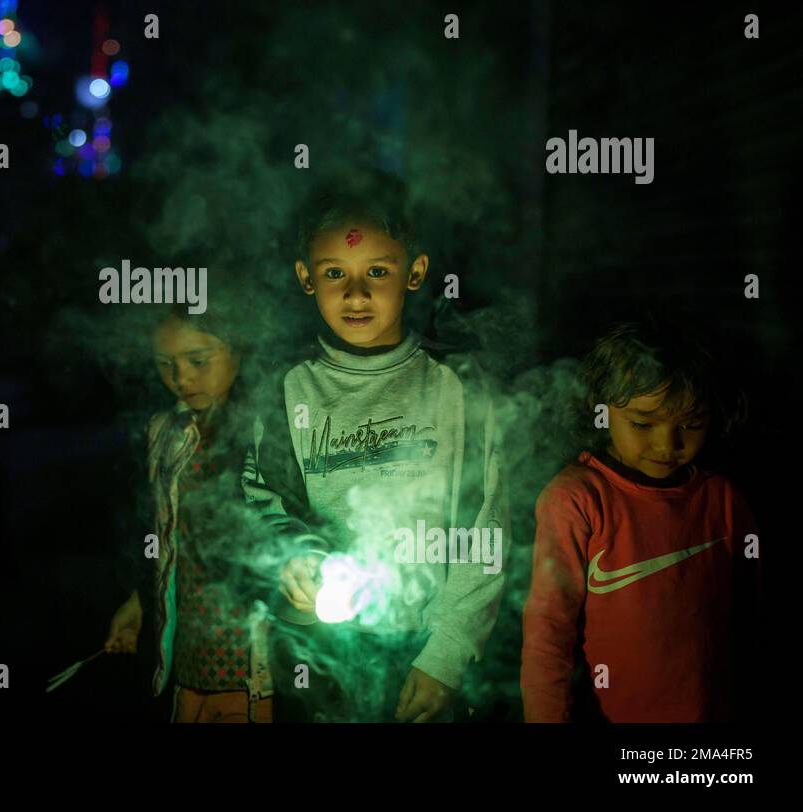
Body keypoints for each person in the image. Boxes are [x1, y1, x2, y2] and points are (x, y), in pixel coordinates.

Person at [242, 180, 507, 721]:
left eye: (378, 272)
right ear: (305, 278)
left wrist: (448, 652)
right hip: (319, 648)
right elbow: (263, 500)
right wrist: (298, 557)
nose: (356, 294)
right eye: (335, 272)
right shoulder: (282, 390)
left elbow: (488, 527)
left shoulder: (458, 386)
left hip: (423, 643)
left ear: (415, 272)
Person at [521, 319, 759, 722]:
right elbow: (548, 631)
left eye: (691, 424)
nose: (668, 445)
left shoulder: (723, 500)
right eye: (643, 424)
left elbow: (751, 618)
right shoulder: (576, 499)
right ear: (601, 410)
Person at [105, 287, 277, 723]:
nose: (181, 379)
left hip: (253, 654)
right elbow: (164, 534)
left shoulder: (269, 428)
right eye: (166, 365)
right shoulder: (163, 432)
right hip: (186, 653)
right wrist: (140, 601)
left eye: (198, 361)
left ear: (237, 352)